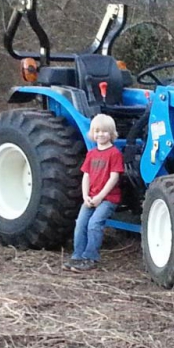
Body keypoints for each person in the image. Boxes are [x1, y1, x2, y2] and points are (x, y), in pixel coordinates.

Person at [65, 114, 124, 272]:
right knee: (80, 224)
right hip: (91, 197)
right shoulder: (91, 154)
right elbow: (86, 176)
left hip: (108, 198)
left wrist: (99, 197)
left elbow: (114, 178)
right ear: (92, 133)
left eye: (104, 131)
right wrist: (86, 196)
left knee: (94, 224)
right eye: (97, 131)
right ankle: (77, 256)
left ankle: (90, 258)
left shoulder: (114, 153)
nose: (100, 134)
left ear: (111, 134)